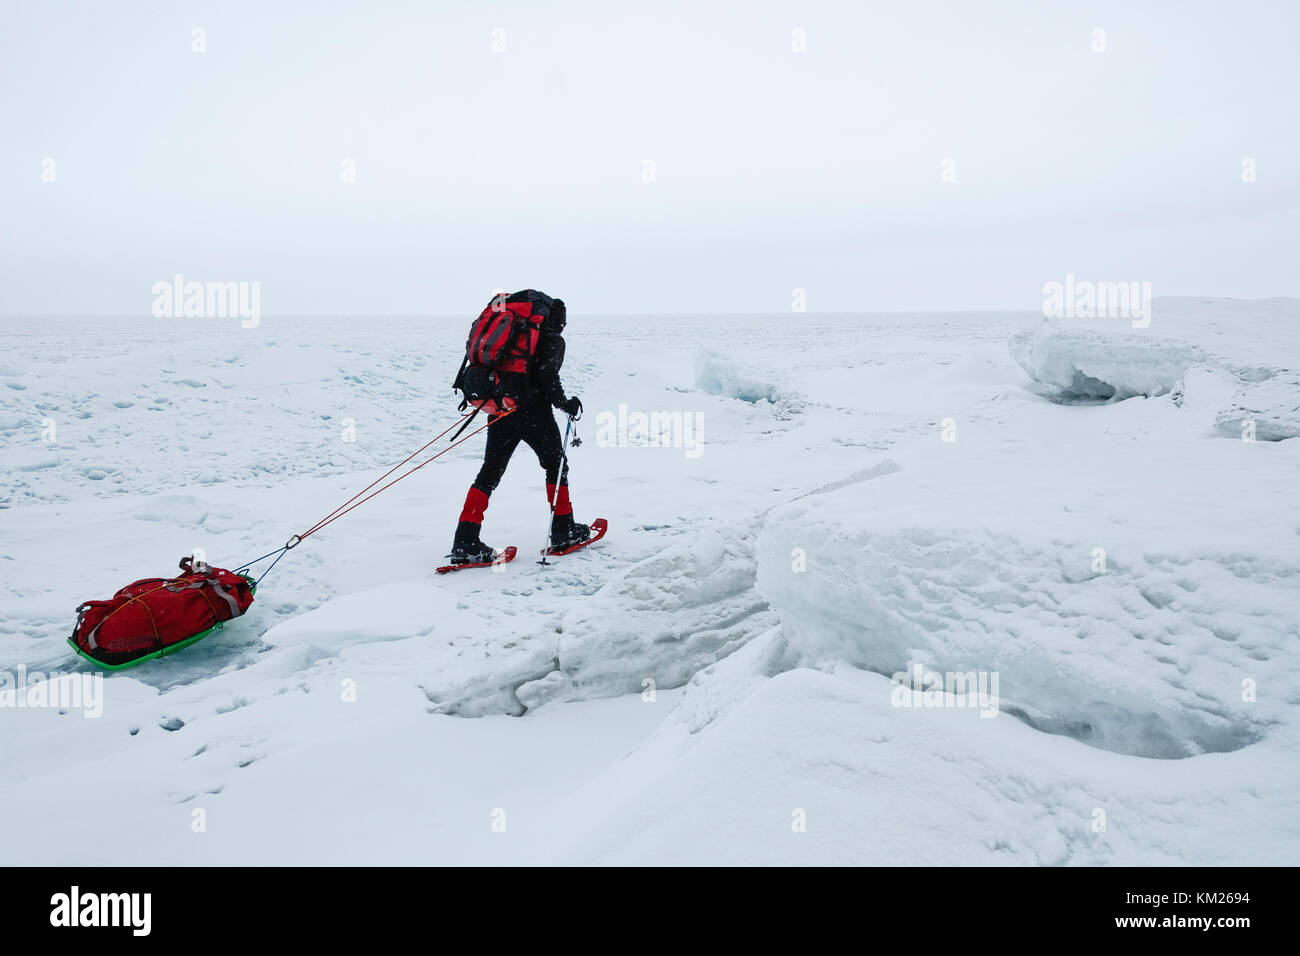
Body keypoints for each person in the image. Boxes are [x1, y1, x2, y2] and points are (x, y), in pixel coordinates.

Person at [450, 291, 589, 564]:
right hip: (532, 410)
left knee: (489, 471)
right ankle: (563, 531)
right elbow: (548, 377)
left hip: (501, 407)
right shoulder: (550, 339)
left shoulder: (520, 334)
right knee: (555, 464)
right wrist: (566, 404)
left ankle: (465, 541)